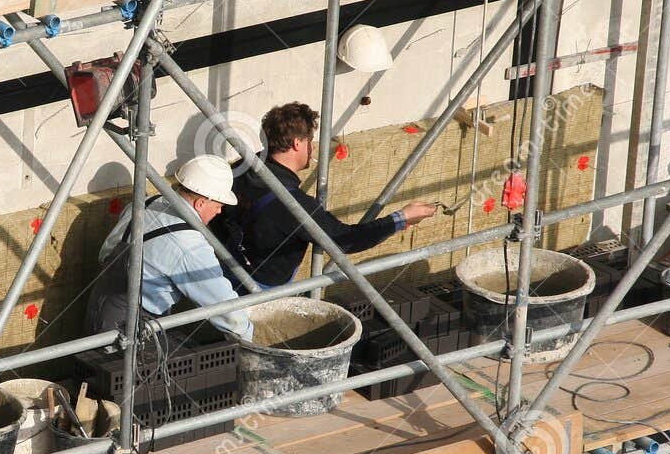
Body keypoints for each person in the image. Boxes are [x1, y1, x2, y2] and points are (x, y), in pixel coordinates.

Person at [218, 101, 437, 289]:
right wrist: (401, 218)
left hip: (225, 268)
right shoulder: (292, 204)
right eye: (310, 140)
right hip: (260, 287)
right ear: (297, 143)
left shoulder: (243, 167)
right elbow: (345, 240)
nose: (313, 147)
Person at [87, 155, 253, 341]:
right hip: (133, 327)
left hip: (99, 305)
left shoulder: (148, 202)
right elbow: (226, 309)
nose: (219, 211)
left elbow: (105, 253)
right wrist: (248, 339)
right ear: (200, 203)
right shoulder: (189, 246)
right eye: (218, 205)